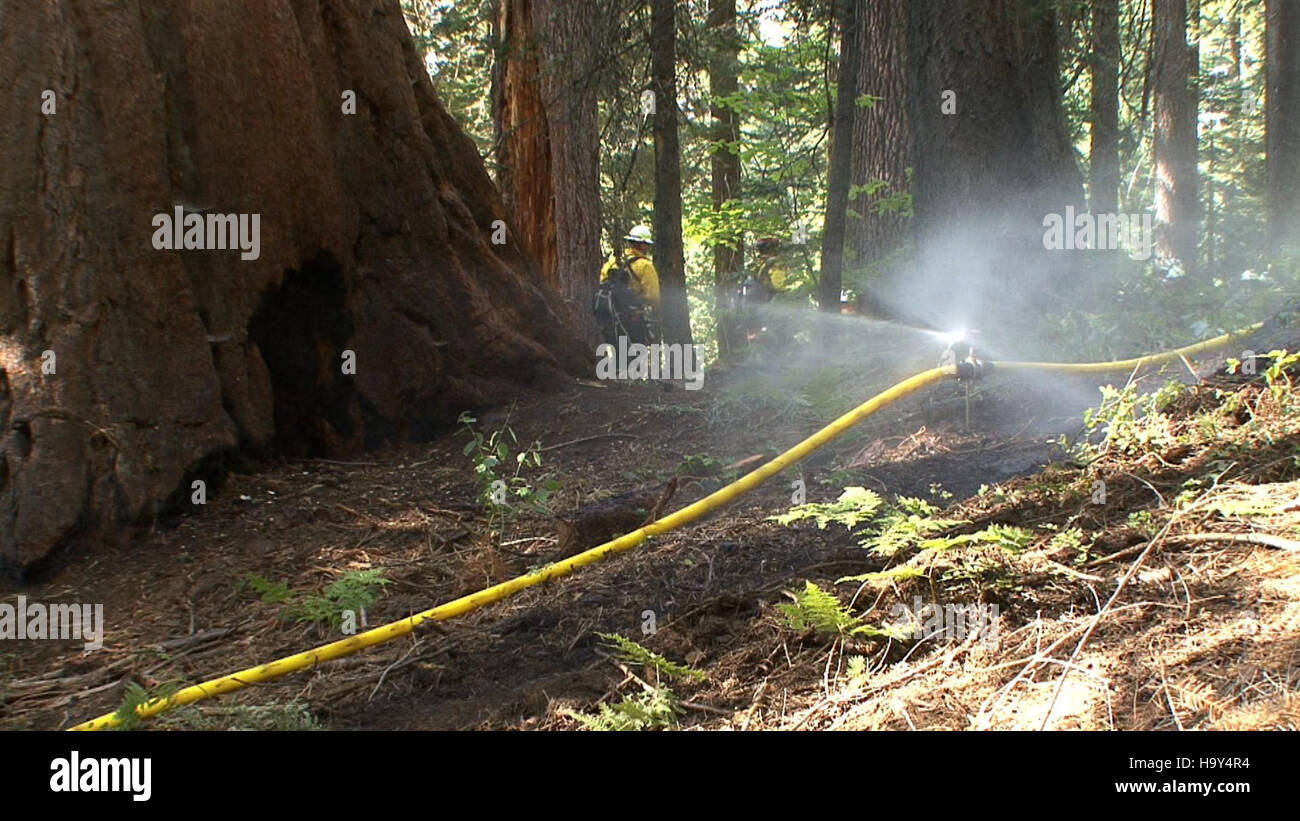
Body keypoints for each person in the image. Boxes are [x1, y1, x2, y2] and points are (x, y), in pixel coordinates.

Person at [596, 225, 661, 345]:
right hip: (634, 320)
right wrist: (657, 315)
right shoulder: (645, 266)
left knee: (618, 356)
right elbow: (653, 296)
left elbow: (602, 282)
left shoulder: (612, 262)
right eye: (646, 245)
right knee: (634, 357)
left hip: (611, 320)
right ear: (642, 245)